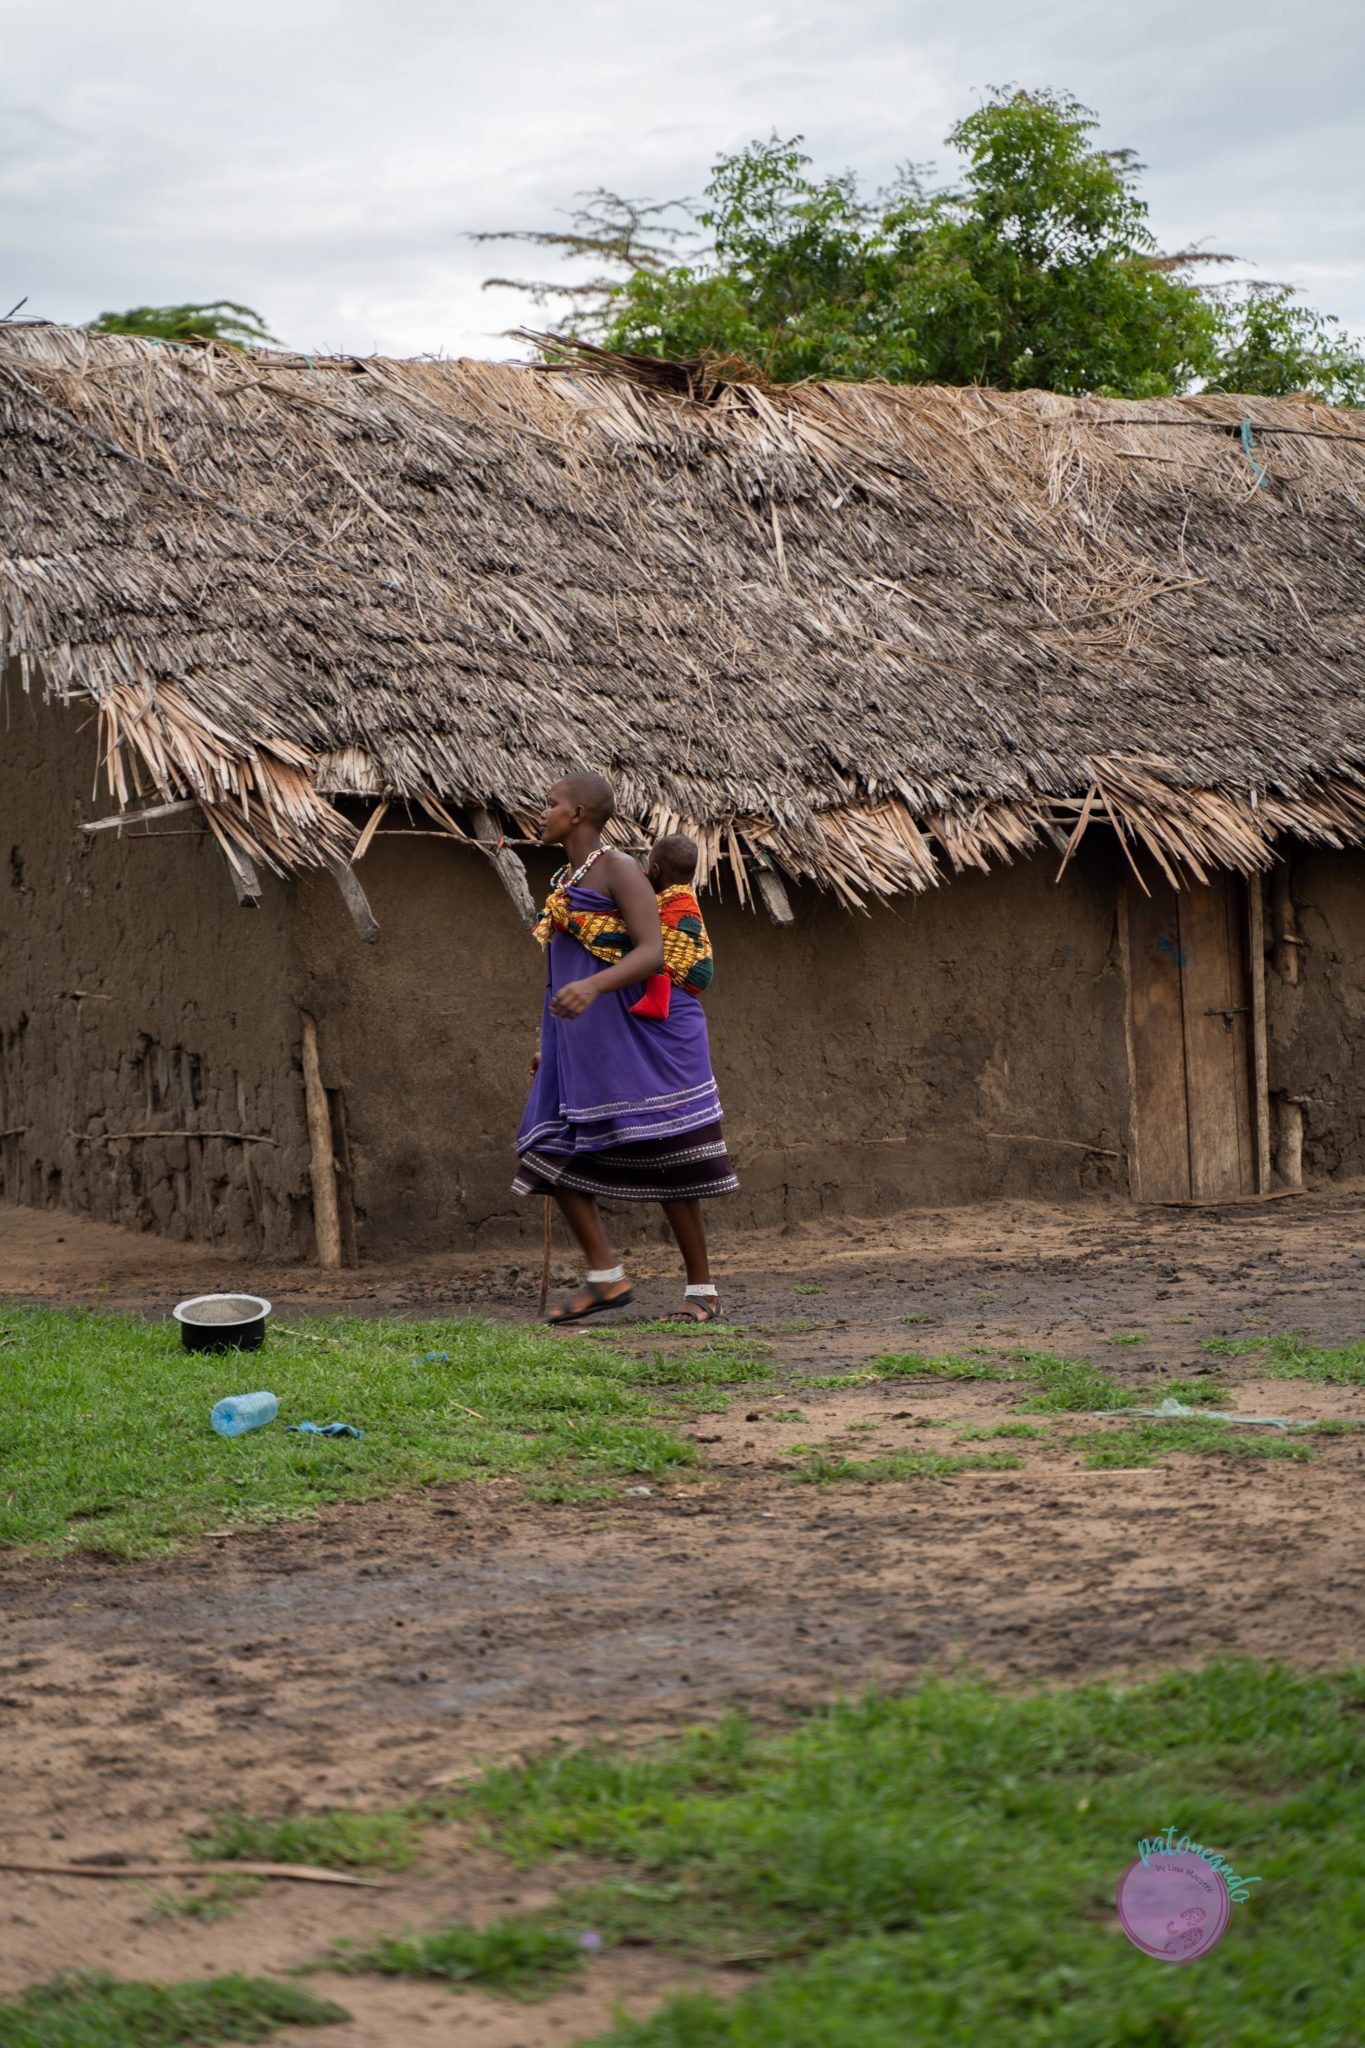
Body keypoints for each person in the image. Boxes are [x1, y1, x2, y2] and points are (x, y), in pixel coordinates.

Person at [514, 775, 738, 1324]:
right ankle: (606, 1279)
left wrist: (591, 988)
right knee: (549, 1152)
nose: (542, 813)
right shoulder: (567, 879)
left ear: (580, 813)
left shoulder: (618, 870)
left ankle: (702, 1291)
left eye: (551, 804)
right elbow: (559, 974)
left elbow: (653, 953)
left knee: (670, 1159)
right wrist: (552, 1039)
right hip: (584, 1043)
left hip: (640, 1040)